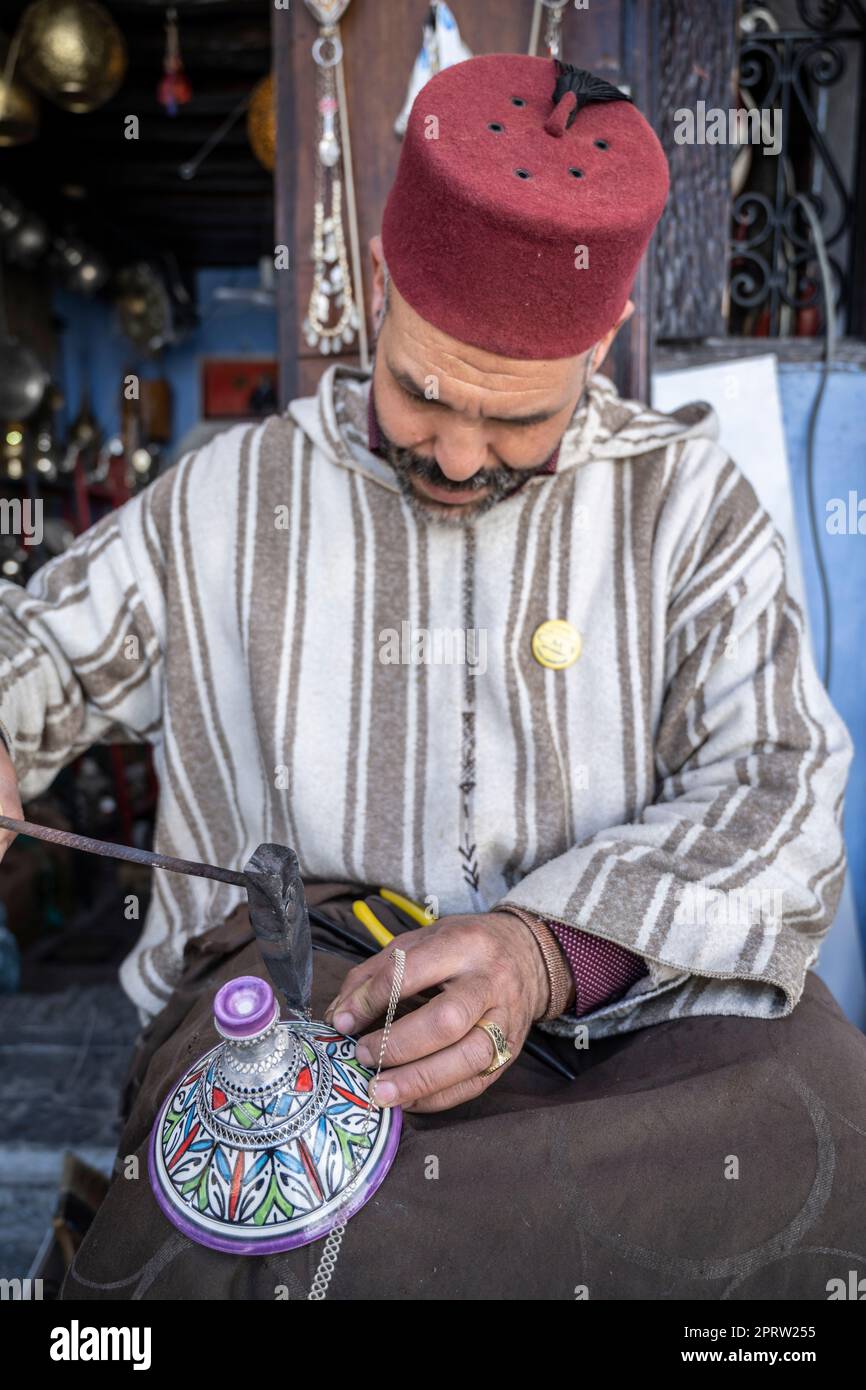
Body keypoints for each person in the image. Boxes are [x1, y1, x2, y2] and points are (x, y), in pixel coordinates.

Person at [1, 55, 863, 1301]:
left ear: (601, 342)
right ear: (379, 294)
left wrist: (548, 949)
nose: (457, 455)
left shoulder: (688, 510)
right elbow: (43, 647)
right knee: (258, 1229)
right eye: (420, 393)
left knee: (827, 1133)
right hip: (307, 982)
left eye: (515, 422)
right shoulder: (226, 497)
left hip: (618, 998)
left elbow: (778, 783)